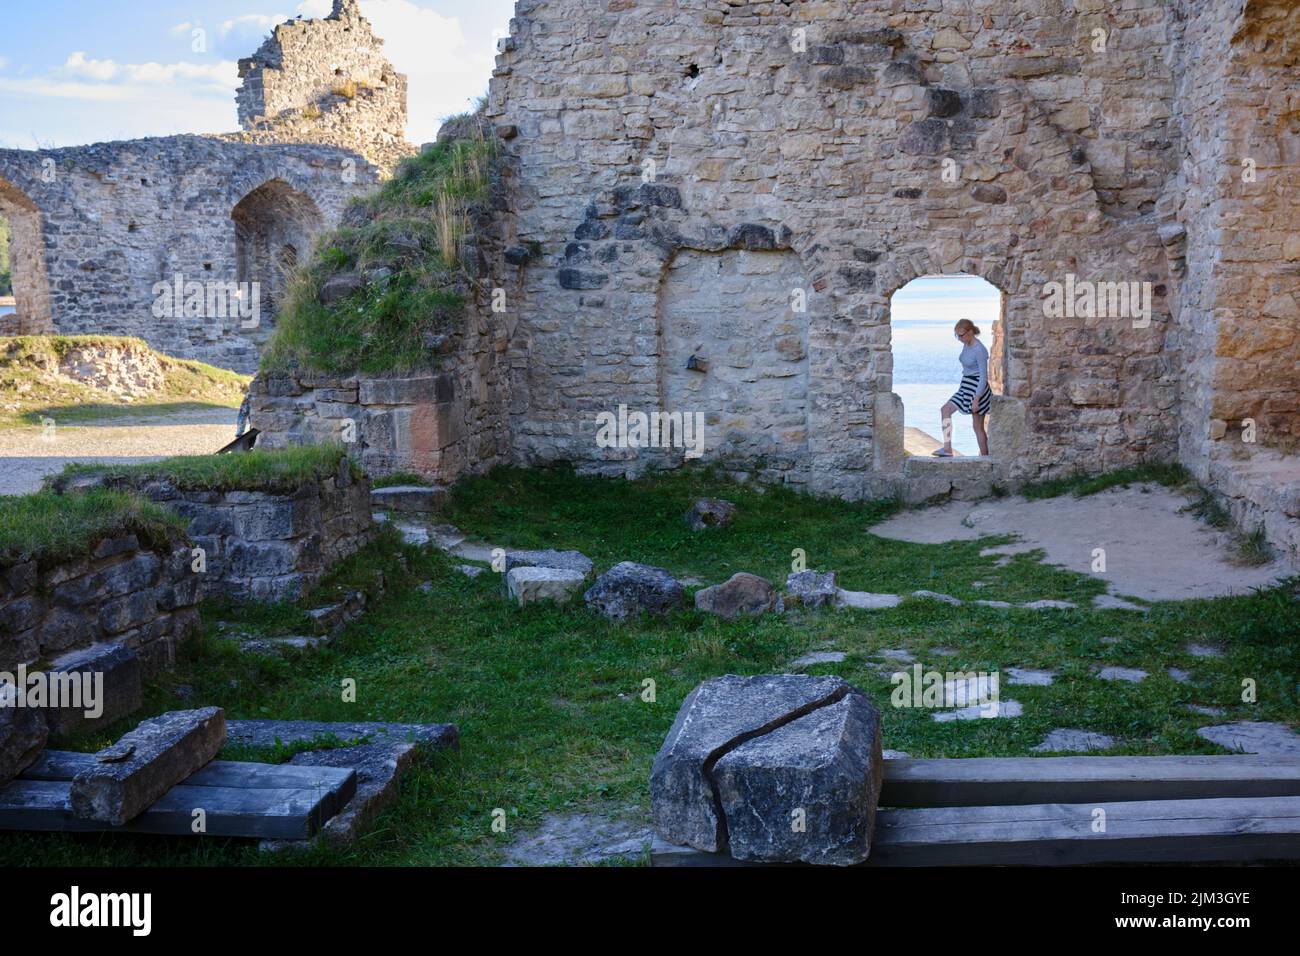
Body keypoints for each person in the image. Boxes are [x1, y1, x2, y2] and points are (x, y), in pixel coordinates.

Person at [933, 318, 990, 457]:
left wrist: (976, 399)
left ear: (970, 332)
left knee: (977, 427)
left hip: (978, 388)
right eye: (957, 335)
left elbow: (983, 377)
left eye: (961, 335)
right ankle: (947, 449)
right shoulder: (967, 344)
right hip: (965, 386)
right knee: (945, 410)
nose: (959, 338)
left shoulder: (980, 350)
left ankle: (985, 458)